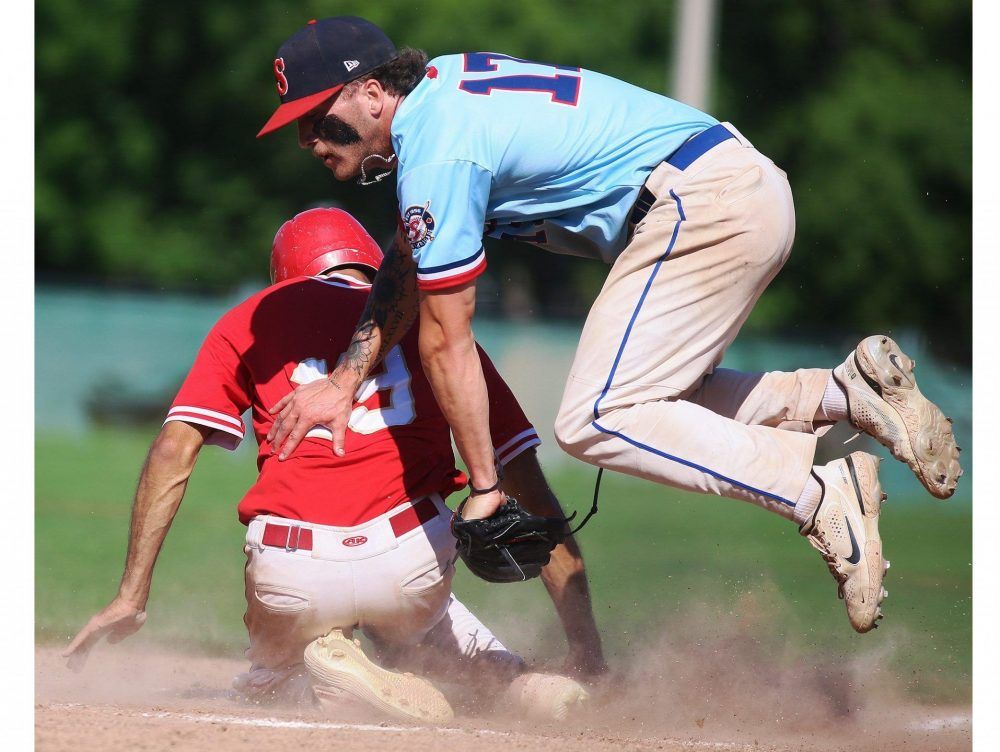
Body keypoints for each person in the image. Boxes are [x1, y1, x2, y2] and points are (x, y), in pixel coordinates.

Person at [257, 17, 963, 634]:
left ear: (374, 93)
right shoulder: (444, 95)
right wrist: (347, 379)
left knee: (595, 417)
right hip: (733, 188)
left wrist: (484, 489)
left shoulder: (436, 145)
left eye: (318, 118)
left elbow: (445, 337)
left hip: (698, 204)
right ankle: (846, 395)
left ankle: (817, 496)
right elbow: (407, 265)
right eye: (299, 128)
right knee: (655, 407)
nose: (309, 141)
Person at [62, 207, 604, 723]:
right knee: (421, 620)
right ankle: (527, 684)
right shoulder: (436, 329)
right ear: (374, 265)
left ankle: (300, 683)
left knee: (272, 685)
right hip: (411, 561)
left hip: (293, 566)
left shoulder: (250, 319)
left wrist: (131, 594)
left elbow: (173, 451)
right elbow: (525, 482)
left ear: (282, 277)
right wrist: (585, 644)